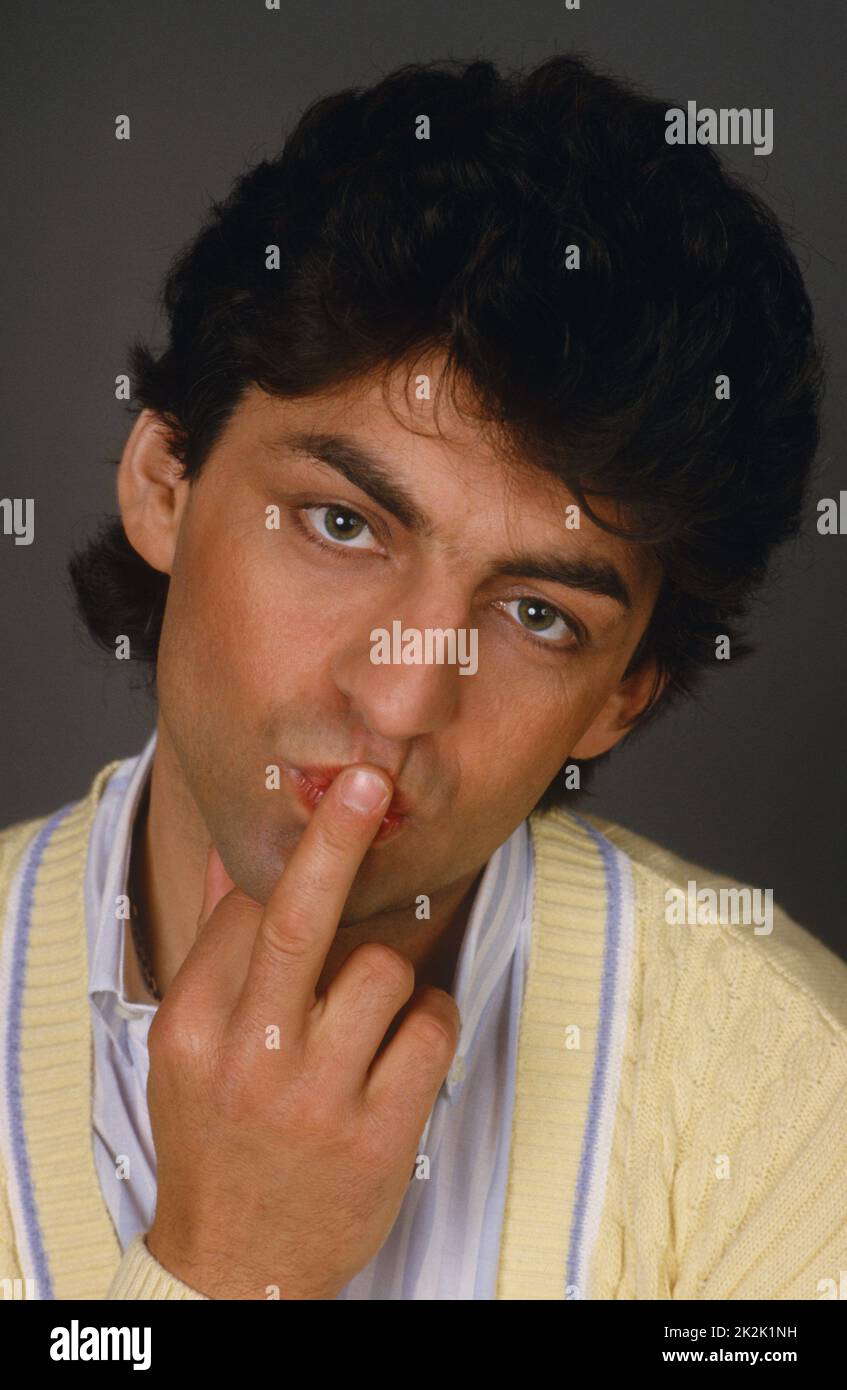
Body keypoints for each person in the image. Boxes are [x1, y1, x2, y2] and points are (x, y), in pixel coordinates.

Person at [1, 53, 844, 1302]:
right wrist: (229, 1266)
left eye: (535, 614)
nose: (399, 700)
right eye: (341, 526)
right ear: (165, 483)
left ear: (627, 688)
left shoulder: (789, 1087)